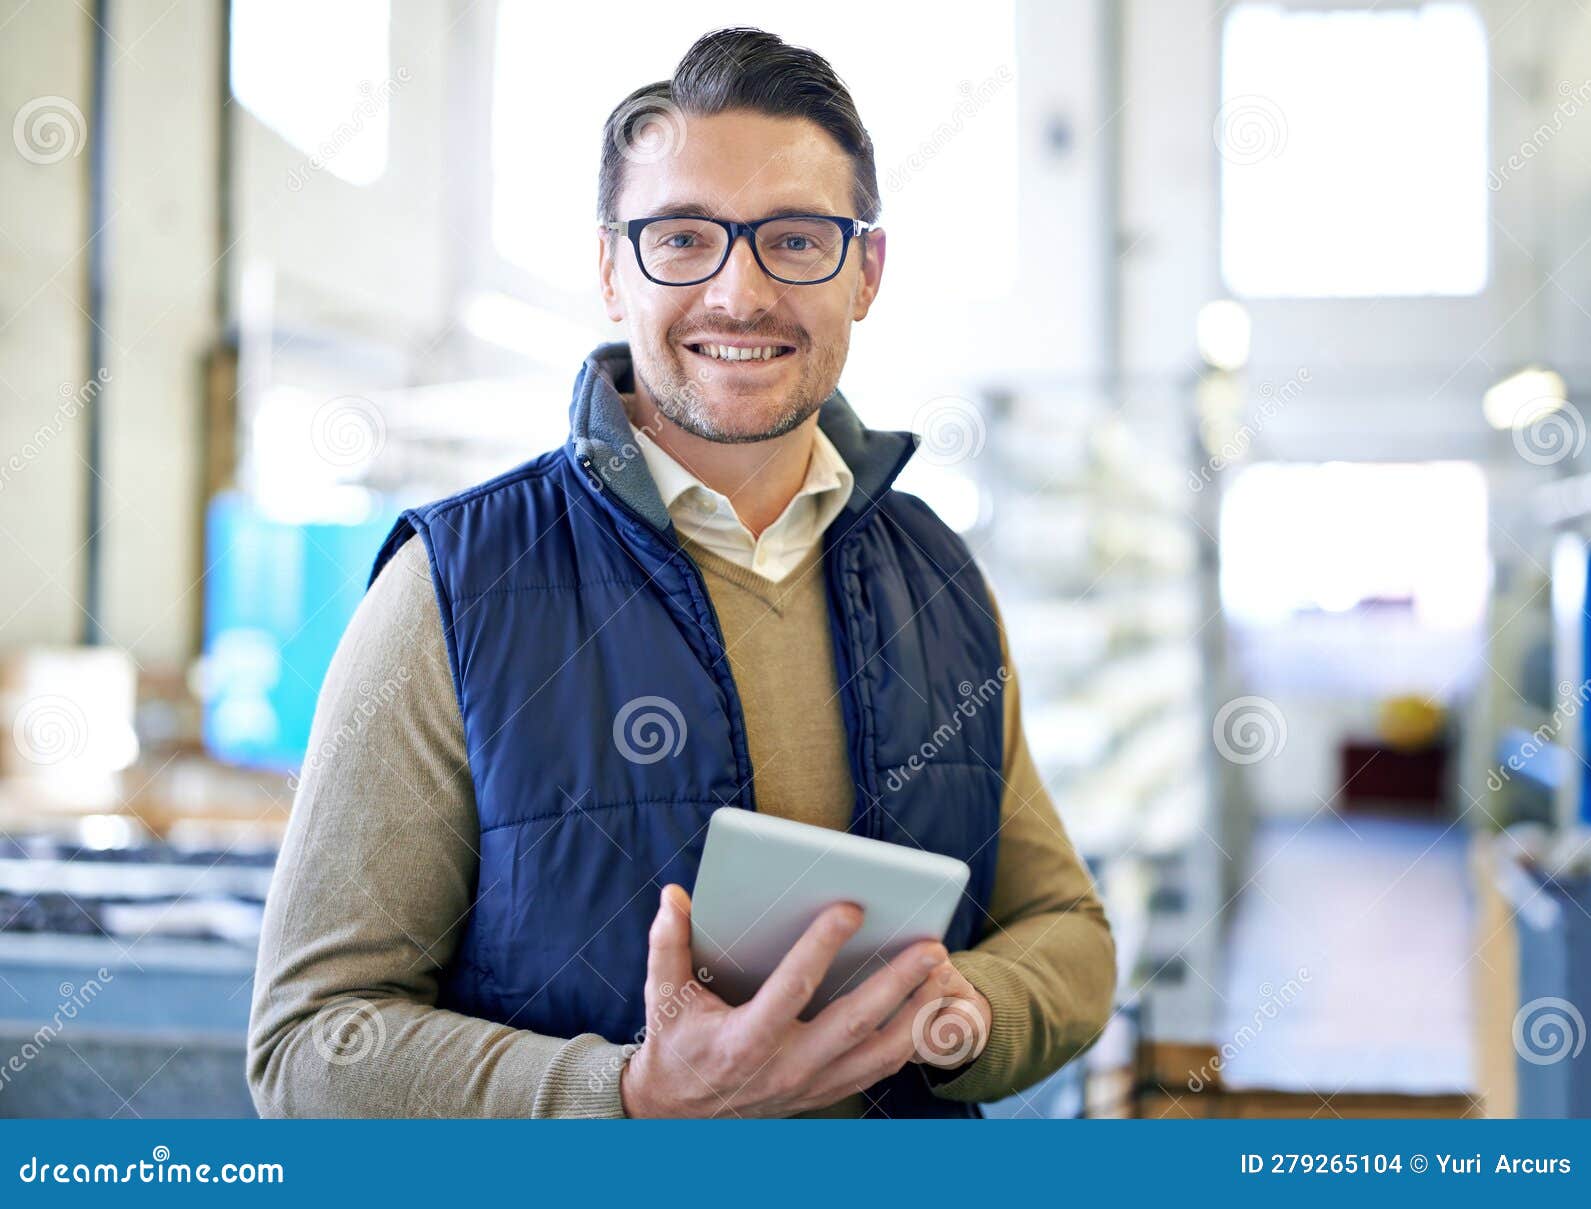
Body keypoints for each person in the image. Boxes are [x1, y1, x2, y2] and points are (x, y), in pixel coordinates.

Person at [247, 26, 1115, 1119]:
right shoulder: (451, 590)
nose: (738, 292)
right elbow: (310, 1045)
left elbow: (1069, 936)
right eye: (683, 238)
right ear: (613, 270)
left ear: (867, 272)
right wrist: (630, 1096)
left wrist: (955, 1013)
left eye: (796, 240)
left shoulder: (937, 578)